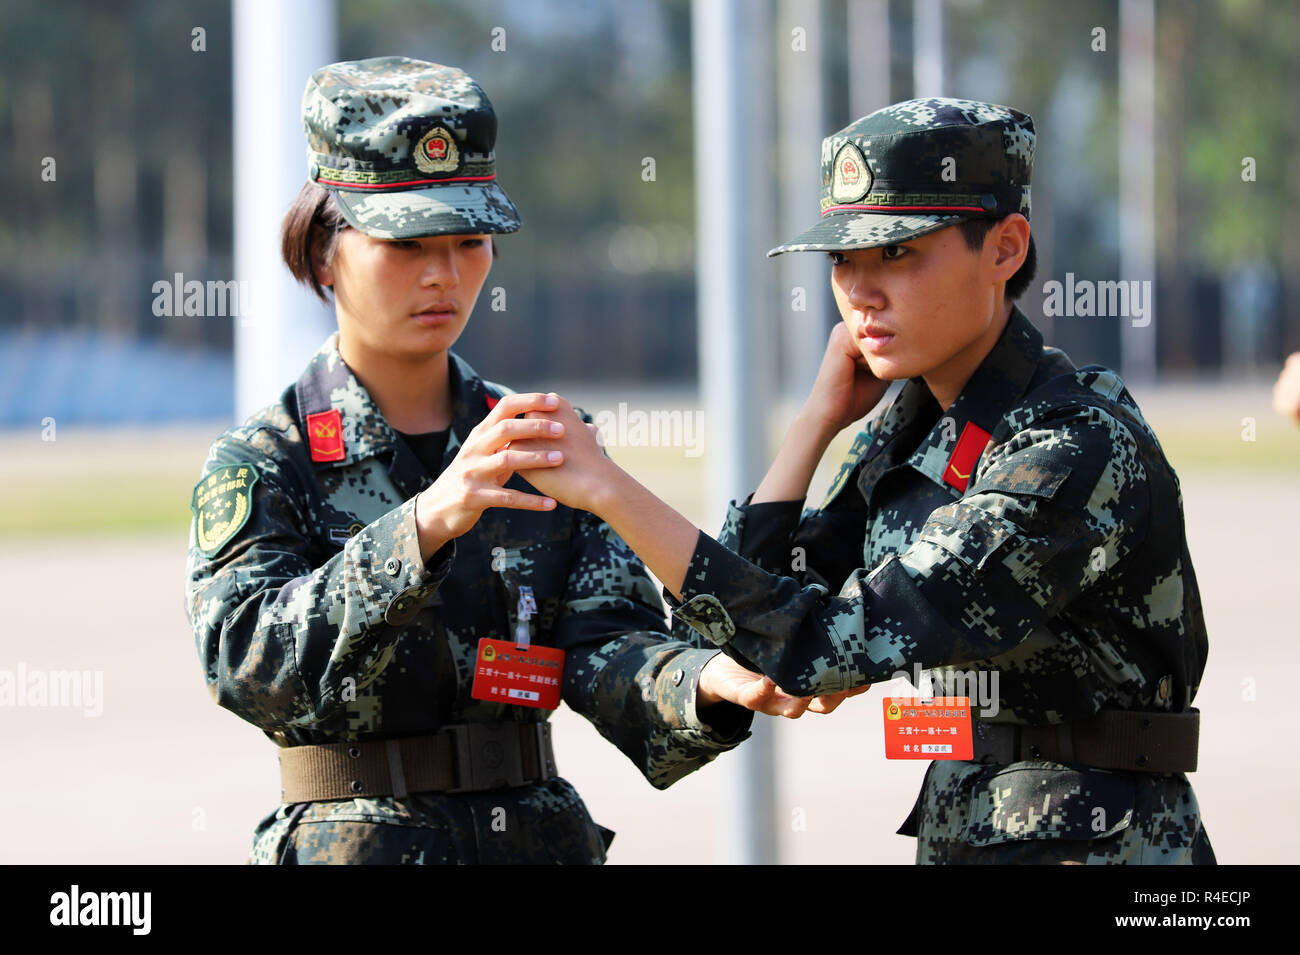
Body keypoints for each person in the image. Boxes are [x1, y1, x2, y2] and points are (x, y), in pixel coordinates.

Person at [513, 98, 1217, 865]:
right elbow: (733, 628)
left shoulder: (1069, 449)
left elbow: (815, 644)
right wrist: (813, 426)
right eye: (843, 260)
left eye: (900, 253)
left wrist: (612, 491)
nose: (860, 291)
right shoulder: (915, 422)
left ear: (1006, 249)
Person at [184, 56, 836, 866]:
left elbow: (606, 645)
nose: (445, 274)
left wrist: (704, 683)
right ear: (325, 253)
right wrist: (422, 525)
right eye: (407, 242)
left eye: (469, 241)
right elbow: (246, 662)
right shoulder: (266, 460)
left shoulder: (535, 443)